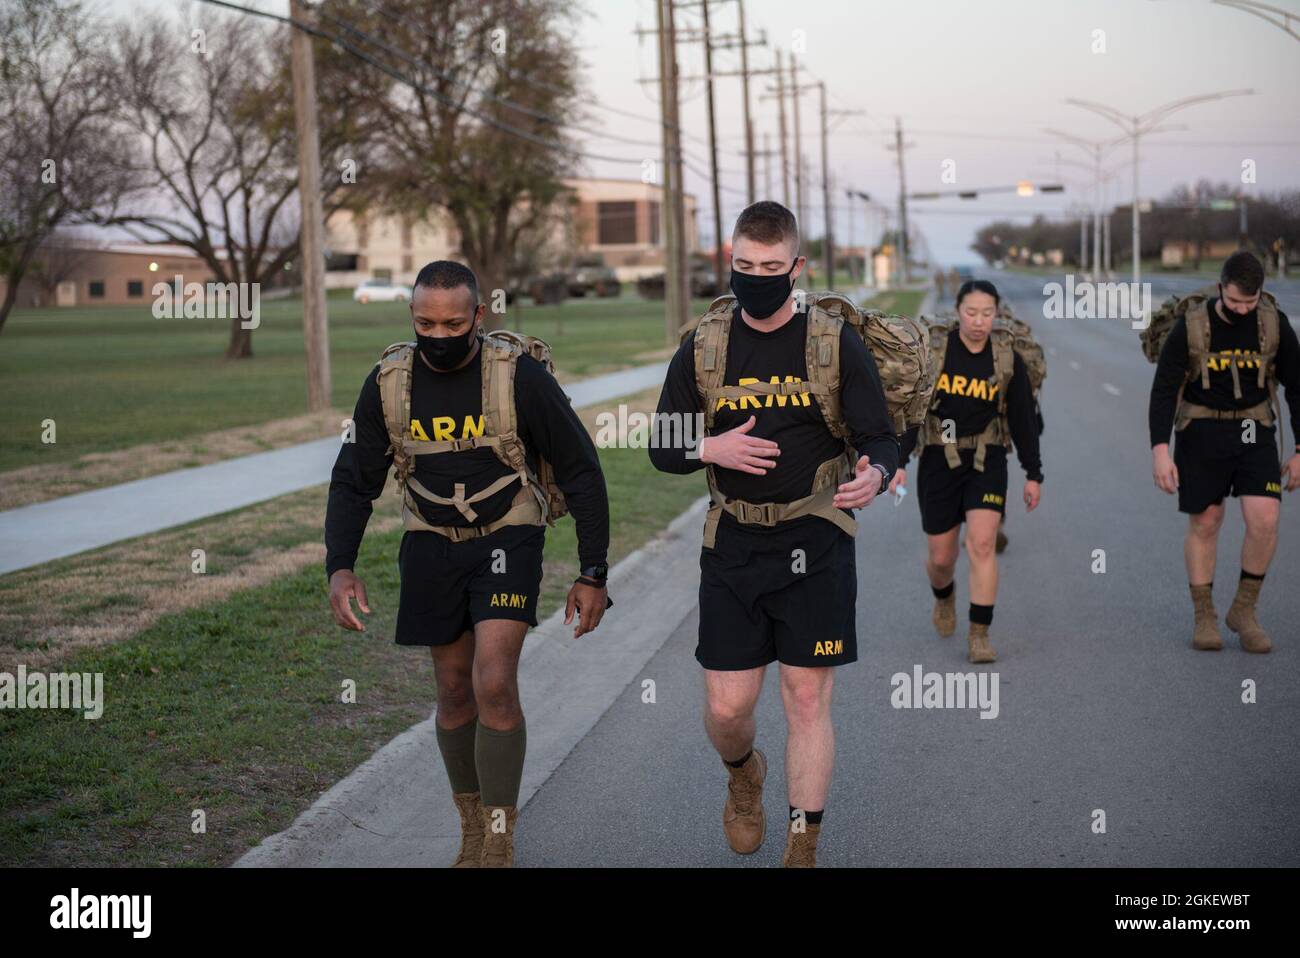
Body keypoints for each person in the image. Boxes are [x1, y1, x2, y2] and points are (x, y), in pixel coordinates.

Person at [324, 260, 612, 867]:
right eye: (425, 323)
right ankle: (473, 826)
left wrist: (593, 572)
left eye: (453, 323)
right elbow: (354, 479)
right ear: (411, 318)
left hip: (509, 535)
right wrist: (339, 564)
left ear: (478, 316)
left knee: (494, 681)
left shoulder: (520, 376)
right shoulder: (389, 381)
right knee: (453, 691)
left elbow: (583, 469)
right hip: (430, 540)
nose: (438, 335)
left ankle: (501, 837)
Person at [650, 201, 899, 867]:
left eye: (769, 267)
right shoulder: (704, 345)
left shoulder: (830, 341)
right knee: (729, 709)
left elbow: (880, 434)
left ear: (797, 267)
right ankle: (743, 776)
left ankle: (802, 848)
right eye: (742, 266)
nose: (756, 277)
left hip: (815, 539)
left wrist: (875, 473)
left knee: (806, 695)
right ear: (728, 264)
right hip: (732, 543)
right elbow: (662, 446)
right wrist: (711, 449)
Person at [1149, 251, 1300, 652]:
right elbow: (1164, 390)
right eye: (1235, 301)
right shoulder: (1191, 327)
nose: (1242, 309)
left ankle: (1243, 610)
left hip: (1253, 427)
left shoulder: (1273, 324)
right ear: (1221, 289)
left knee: (1265, 518)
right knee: (1207, 520)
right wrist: (1160, 450)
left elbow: (1298, 387)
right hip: (1202, 427)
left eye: (1250, 302)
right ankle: (1205, 615)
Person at [895, 279, 1043, 663]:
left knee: (981, 544)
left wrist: (1033, 472)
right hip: (938, 461)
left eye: (987, 314)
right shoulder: (938, 352)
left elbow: (1025, 417)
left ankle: (979, 634)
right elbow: (913, 412)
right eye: (971, 313)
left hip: (987, 458)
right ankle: (944, 596)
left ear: (997, 314)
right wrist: (896, 464)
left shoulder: (1006, 356)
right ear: (958, 311)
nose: (979, 322)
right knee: (942, 559)